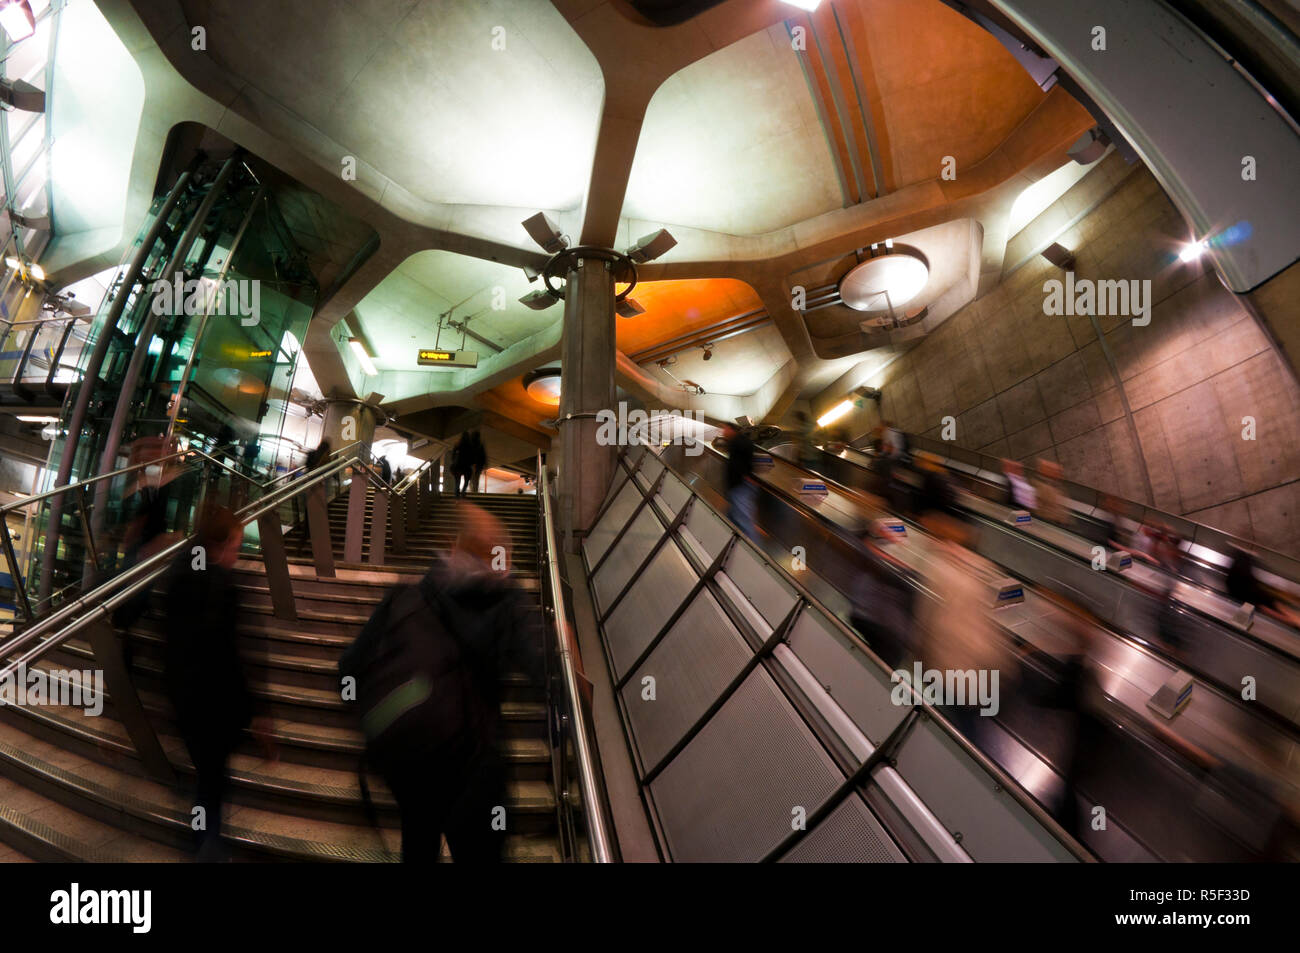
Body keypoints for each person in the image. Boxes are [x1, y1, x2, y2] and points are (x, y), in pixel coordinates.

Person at [340, 503, 542, 862]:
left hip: (414, 765)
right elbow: (542, 673)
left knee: (418, 846)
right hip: (475, 768)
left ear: (451, 544)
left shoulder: (406, 597)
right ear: (502, 557)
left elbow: (348, 671)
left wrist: (382, 719)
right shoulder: (508, 604)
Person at [161, 504, 254, 862]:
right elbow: (228, 654)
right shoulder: (222, 586)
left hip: (184, 696)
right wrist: (251, 711)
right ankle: (207, 847)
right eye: (235, 547)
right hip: (212, 703)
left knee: (207, 777)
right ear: (218, 546)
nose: (237, 555)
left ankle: (204, 841)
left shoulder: (180, 570)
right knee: (213, 781)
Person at [720, 422, 758, 541]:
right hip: (735, 486)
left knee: (744, 522)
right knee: (732, 519)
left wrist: (747, 475)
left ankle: (755, 551)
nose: (723, 432)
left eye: (725, 429)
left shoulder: (739, 442)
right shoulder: (737, 442)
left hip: (740, 486)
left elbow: (745, 460)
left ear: (732, 429)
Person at [450, 433, 470, 497]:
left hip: (457, 466)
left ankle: (457, 496)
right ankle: (463, 492)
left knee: (457, 482)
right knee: (466, 481)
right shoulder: (469, 445)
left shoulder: (457, 444)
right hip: (466, 467)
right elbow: (472, 456)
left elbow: (453, 455)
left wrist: (454, 461)